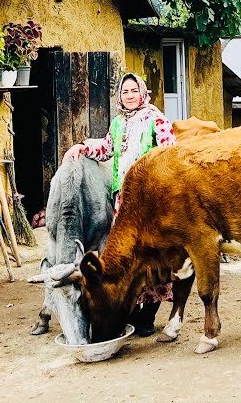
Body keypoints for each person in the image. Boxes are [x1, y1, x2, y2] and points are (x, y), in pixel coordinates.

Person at [69, 72, 175, 336]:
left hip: (150, 203)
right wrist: (81, 148)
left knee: (153, 256)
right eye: (125, 92)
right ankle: (134, 309)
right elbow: (106, 149)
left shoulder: (156, 119)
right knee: (129, 259)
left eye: (133, 91)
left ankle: (149, 314)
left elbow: (171, 153)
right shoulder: (118, 124)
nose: (129, 96)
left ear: (142, 93)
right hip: (123, 204)